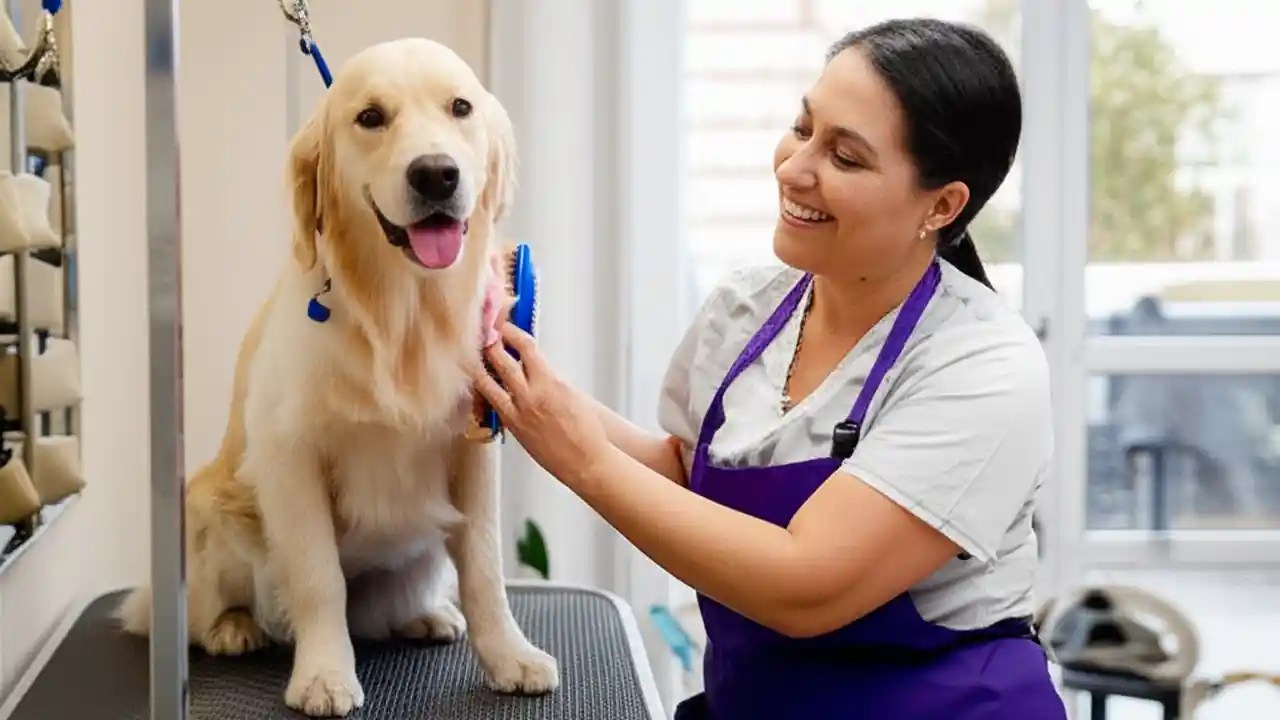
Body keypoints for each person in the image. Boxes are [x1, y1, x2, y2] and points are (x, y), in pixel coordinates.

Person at [471, 17, 1067, 720]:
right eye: (802, 127)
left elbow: (806, 587)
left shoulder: (981, 365)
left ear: (941, 204)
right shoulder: (748, 307)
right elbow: (684, 478)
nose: (793, 167)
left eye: (845, 157)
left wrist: (581, 461)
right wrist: (516, 382)